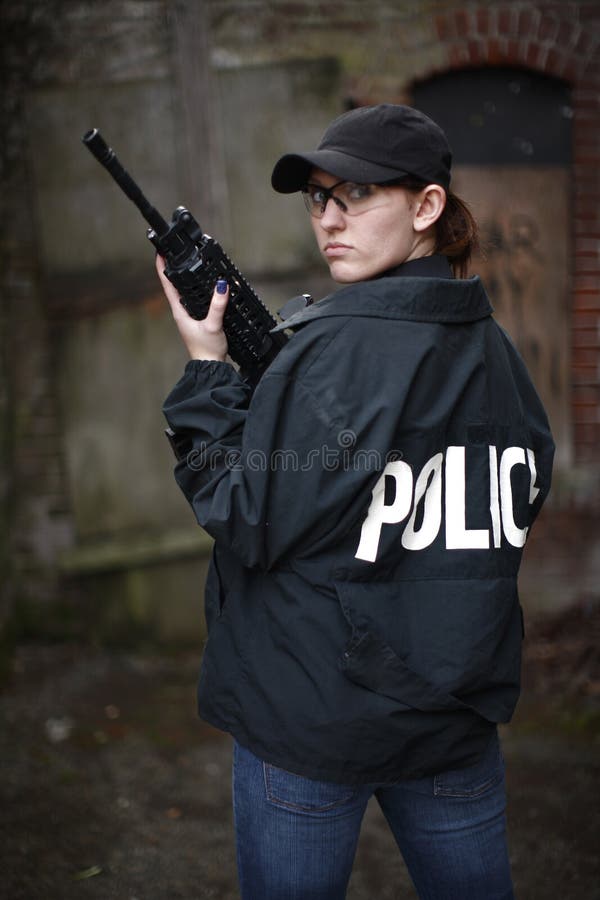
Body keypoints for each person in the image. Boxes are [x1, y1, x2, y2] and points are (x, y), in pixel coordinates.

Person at [157, 104, 554, 900]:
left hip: (310, 720)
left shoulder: (335, 348)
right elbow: (517, 489)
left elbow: (244, 512)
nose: (328, 220)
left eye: (357, 195)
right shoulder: (493, 347)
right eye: (317, 199)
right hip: (452, 722)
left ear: (427, 206)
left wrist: (206, 369)